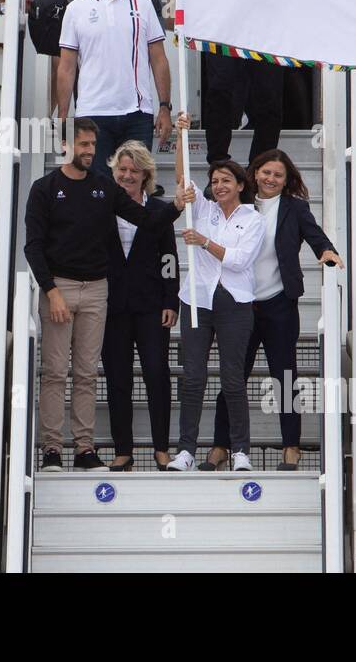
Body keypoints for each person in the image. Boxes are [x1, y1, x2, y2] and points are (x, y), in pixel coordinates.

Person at [24, 118, 192, 472]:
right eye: (82, 145)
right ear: (66, 145)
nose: (88, 151)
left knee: (87, 374)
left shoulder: (104, 188)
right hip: (63, 290)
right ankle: (53, 450)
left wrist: (176, 207)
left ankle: (85, 450)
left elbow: (147, 220)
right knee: (56, 372)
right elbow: (34, 246)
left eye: (91, 145)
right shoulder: (44, 188)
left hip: (101, 293)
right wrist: (50, 290)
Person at [207, 149, 344, 471]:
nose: (270, 179)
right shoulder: (237, 204)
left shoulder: (295, 208)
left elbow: (316, 237)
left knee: (284, 376)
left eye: (278, 175)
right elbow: (207, 197)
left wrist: (328, 252)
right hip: (239, 304)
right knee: (233, 377)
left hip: (279, 303)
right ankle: (220, 446)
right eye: (265, 173)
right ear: (254, 174)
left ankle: (291, 447)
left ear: (286, 181)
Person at [167, 111, 264, 473]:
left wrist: (204, 242)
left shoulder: (253, 219)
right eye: (215, 180)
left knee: (232, 378)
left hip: (236, 303)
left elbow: (238, 261)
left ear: (240, 184)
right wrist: (180, 135)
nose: (219, 185)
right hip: (196, 298)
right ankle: (186, 451)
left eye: (226, 180)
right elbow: (181, 177)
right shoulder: (203, 209)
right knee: (193, 377)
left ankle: (240, 451)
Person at [57, 0, 173, 184]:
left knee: (137, 188)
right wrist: (64, 120)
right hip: (93, 114)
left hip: (137, 114)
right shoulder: (76, 9)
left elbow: (159, 59)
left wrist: (165, 107)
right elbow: (66, 68)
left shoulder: (143, 5)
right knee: (98, 191)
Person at [102, 141, 179, 472]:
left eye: (134, 170)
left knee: (157, 375)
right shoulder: (101, 205)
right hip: (111, 307)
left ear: (146, 174)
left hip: (151, 307)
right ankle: (124, 451)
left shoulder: (160, 209)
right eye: (122, 169)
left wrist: (170, 299)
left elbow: (168, 258)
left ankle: (162, 449)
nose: (127, 175)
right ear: (114, 171)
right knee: (118, 379)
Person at [203, 52, 284, 166]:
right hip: (225, 37)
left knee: (269, 94)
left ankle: (258, 170)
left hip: (267, 38)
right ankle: (219, 169)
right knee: (219, 88)